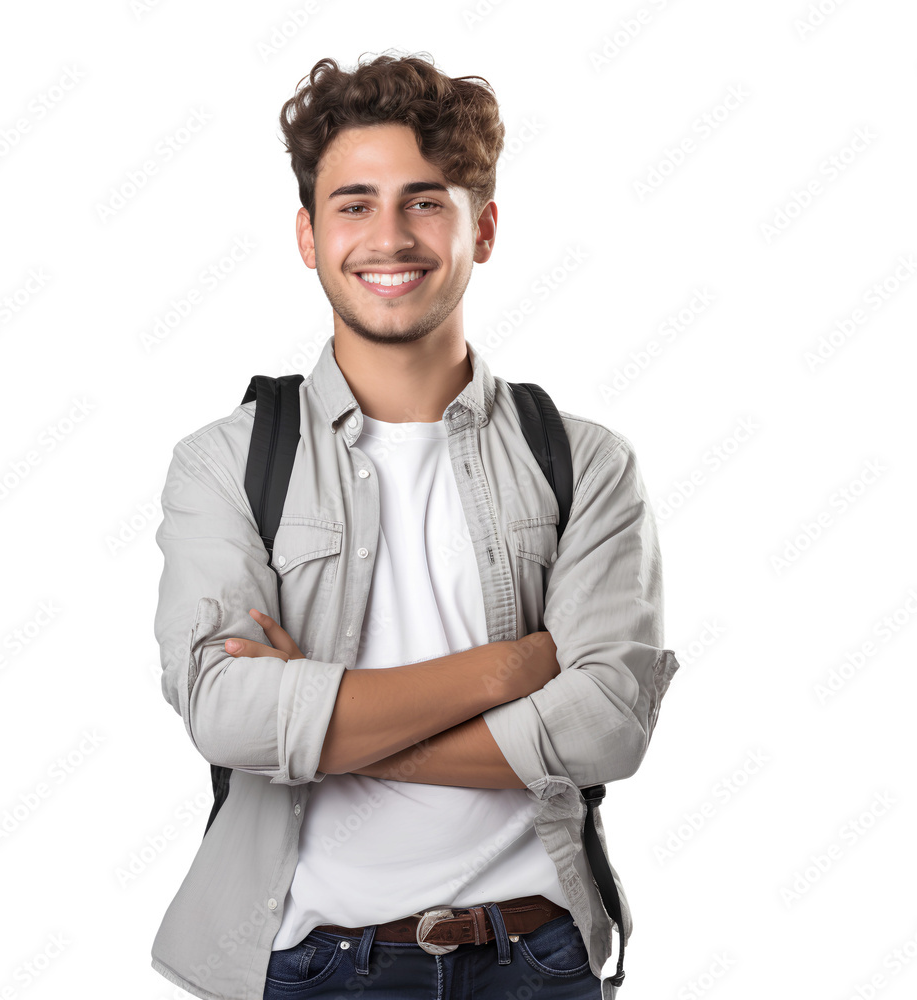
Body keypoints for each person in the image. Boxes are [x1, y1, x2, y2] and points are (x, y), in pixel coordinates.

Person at [149, 50, 680, 1000]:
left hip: (538, 959)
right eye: (354, 204)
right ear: (309, 236)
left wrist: (319, 724)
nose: (388, 236)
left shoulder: (586, 460)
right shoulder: (224, 461)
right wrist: (511, 669)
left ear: (483, 226)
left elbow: (607, 725)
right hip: (312, 965)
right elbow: (224, 712)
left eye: (424, 202)